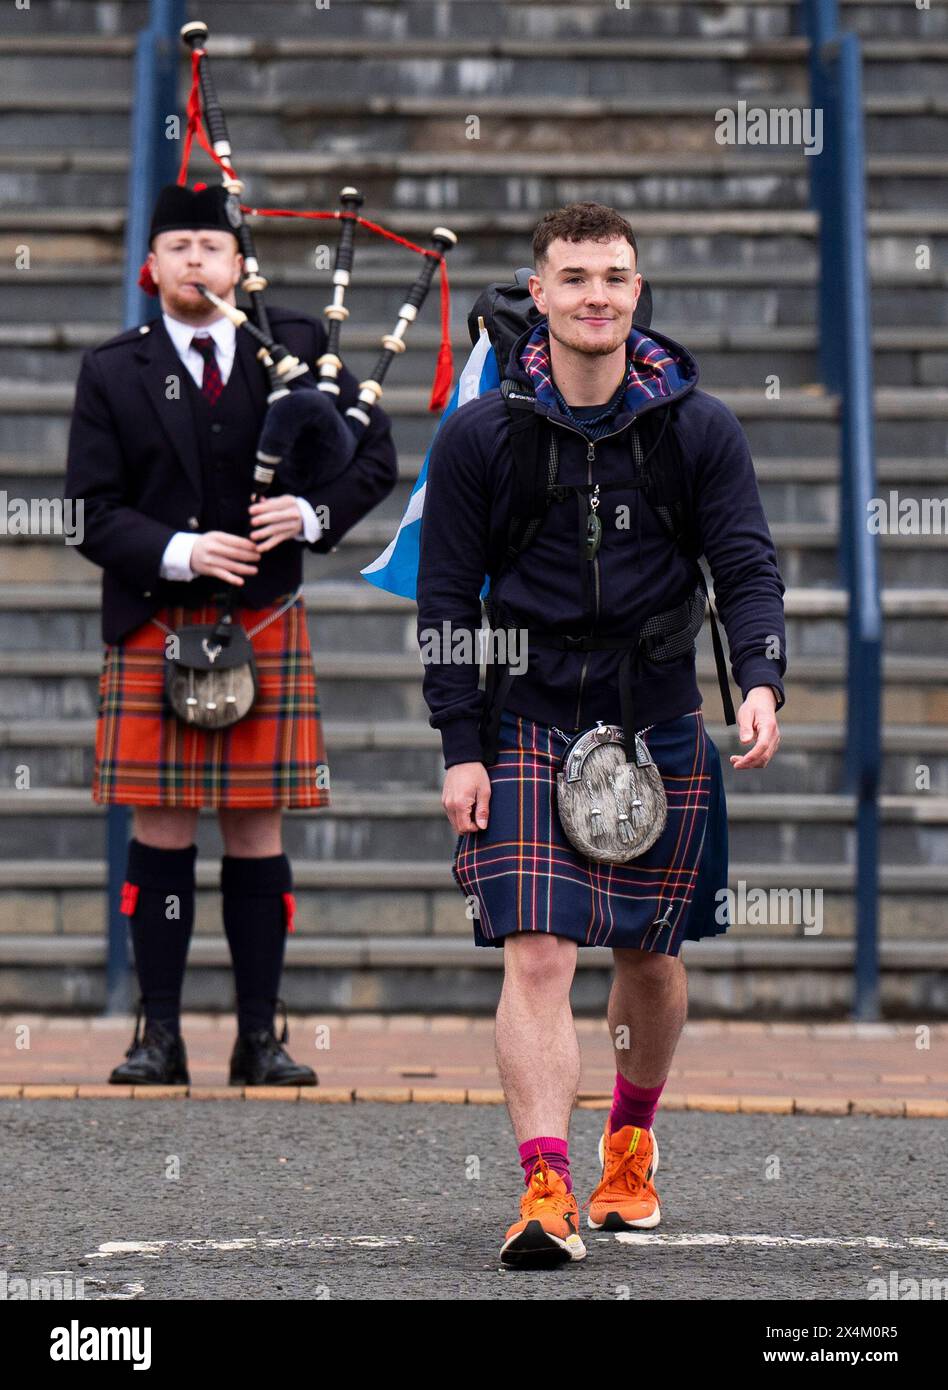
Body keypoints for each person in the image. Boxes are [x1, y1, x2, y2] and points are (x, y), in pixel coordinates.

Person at [416, 201, 785, 1267]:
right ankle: (545, 1184)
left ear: (637, 291)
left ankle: (629, 1143)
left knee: (649, 955)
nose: (596, 296)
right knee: (535, 951)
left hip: (660, 712)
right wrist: (459, 742)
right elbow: (447, 597)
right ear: (537, 293)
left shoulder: (698, 426)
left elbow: (747, 567)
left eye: (615, 278)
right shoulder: (481, 433)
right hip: (527, 711)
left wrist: (758, 678)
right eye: (574, 277)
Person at [64, 183, 398, 1087]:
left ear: (239, 263)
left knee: (257, 829)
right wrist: (178, 549)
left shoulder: (291, 344)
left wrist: (310, 512)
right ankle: (158, 1036)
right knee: (162, 829)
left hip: (263, 616)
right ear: (152, 266)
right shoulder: (112, 369)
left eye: (213, 248)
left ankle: (261, 1038)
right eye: (179, 249)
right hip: (156, 616)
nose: (197, 264)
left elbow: (374, 454)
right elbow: (87, 514)